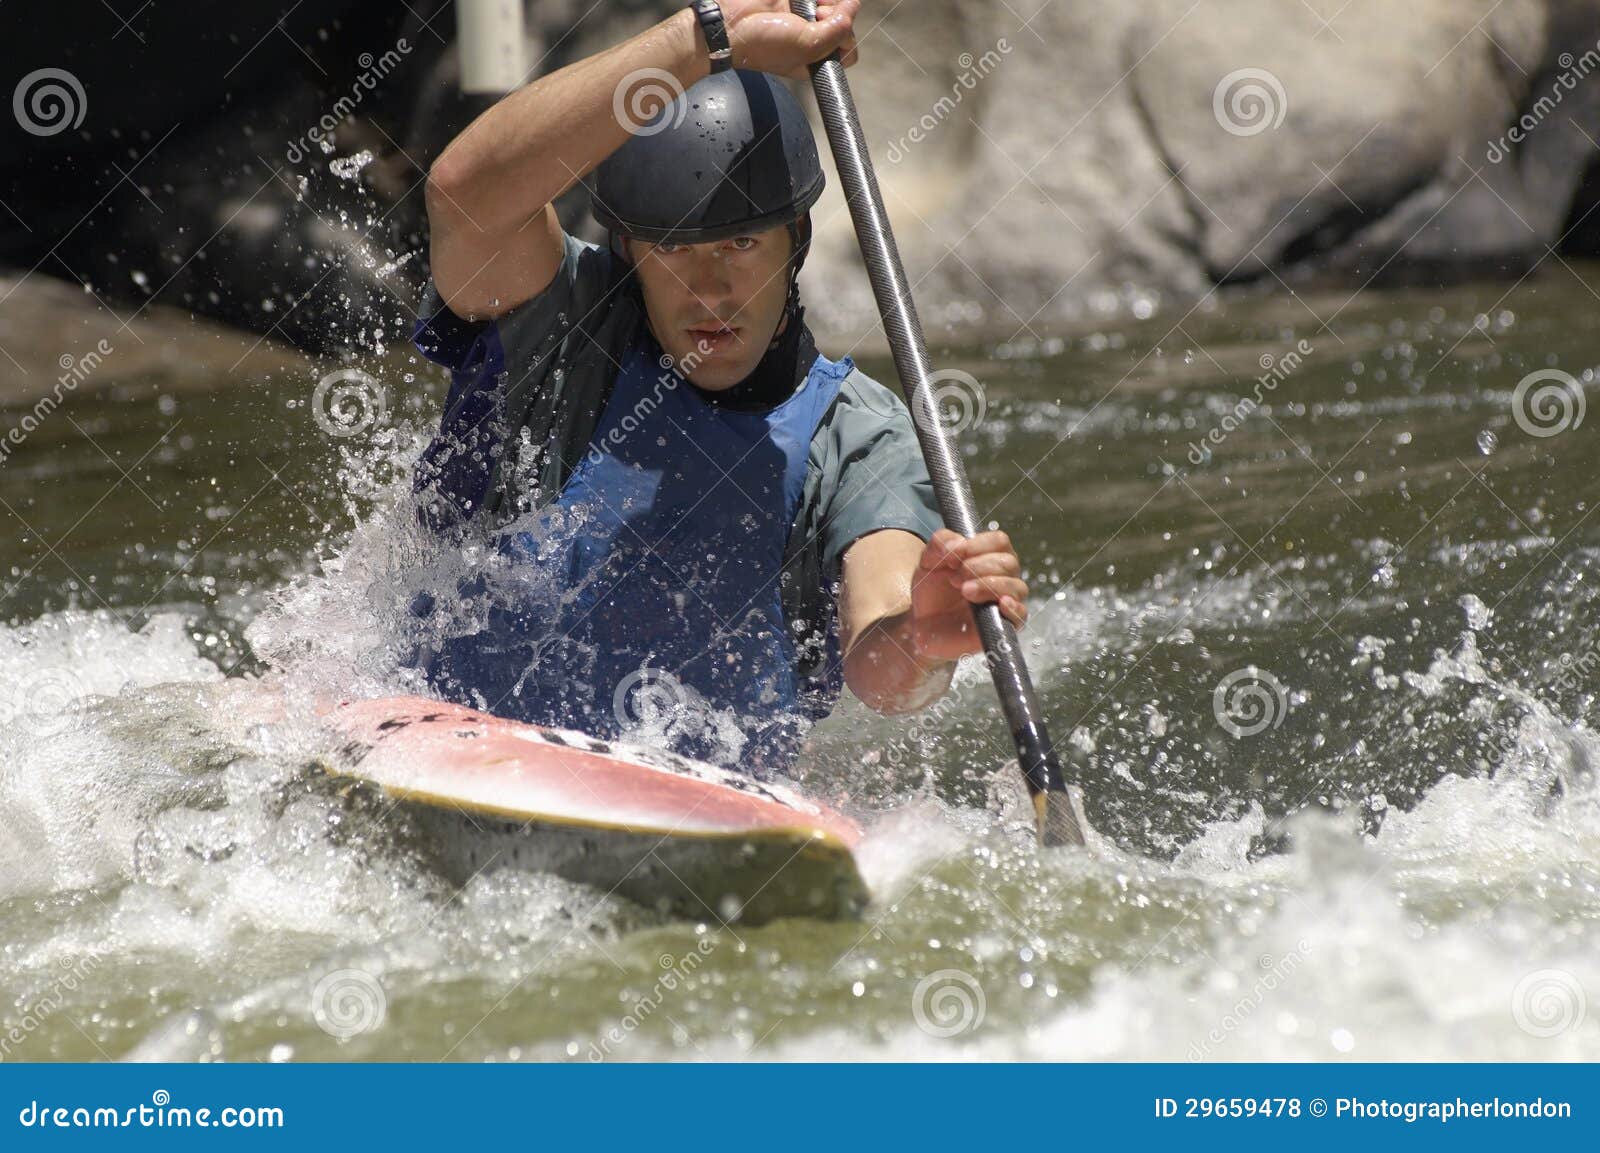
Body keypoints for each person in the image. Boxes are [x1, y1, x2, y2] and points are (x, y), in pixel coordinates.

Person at [408, 0, 1031, 774]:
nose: (711, 287)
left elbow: (880, 661)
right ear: (628, 248)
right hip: (447, 745)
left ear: (795, 239)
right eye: (675, 247)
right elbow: (463, 189)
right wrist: (699, 40)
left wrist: (926, 637)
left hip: (707, 798)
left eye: (742, 242)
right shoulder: (561, 323)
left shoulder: (859, 432)